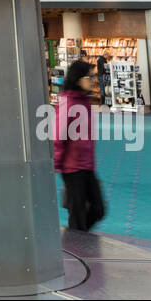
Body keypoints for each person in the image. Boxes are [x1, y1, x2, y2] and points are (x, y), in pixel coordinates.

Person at [53, 60, 105, 231]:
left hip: (87, 165)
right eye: (89, 77)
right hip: (72, 168)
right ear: (78, 79)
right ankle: (76, 246)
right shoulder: (67, 103)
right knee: (78, 216)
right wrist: (57, 163)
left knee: (98, 209)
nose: (92, 80)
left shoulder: (85, 102)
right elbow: (59, 136)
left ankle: (75, 239)